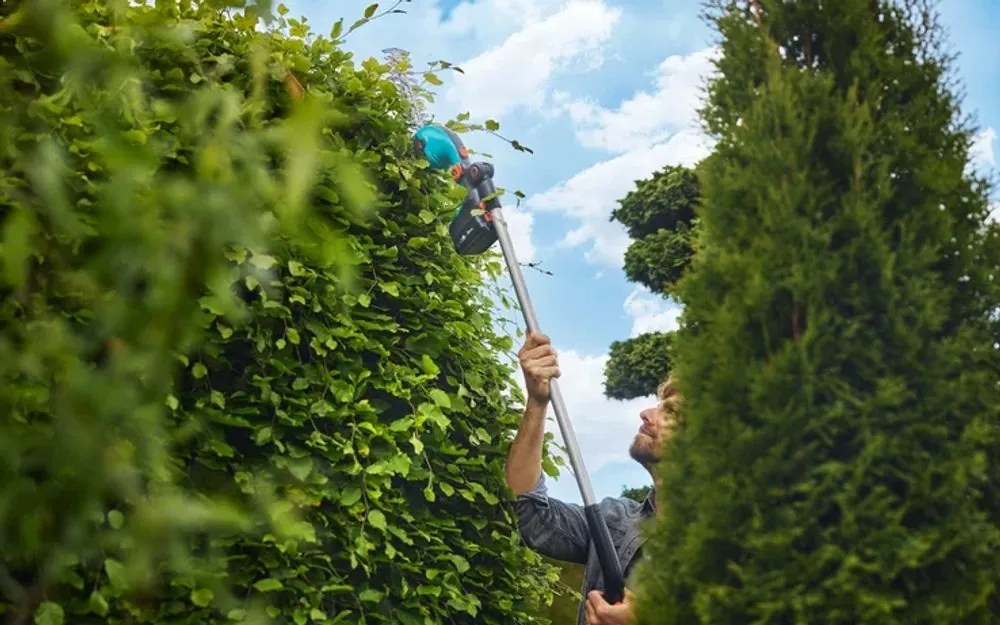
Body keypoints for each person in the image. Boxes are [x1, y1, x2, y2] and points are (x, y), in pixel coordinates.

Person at [505, 332, 680, 625]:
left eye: (672, 412)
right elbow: (530, 515)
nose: (647, 414)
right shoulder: (614, 521)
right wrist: (537, 402)